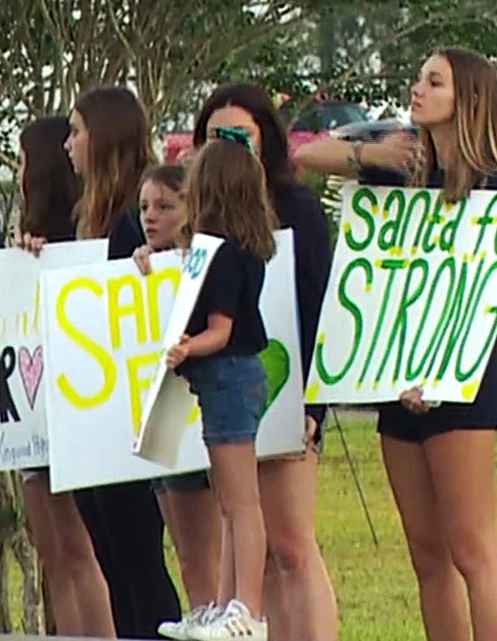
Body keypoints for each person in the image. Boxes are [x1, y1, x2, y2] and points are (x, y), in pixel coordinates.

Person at [295, 47, 497, 641]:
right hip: (397, 371)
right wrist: (371, 153)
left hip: (465, 376)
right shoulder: (401, 168)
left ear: (470, 99)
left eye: (433, 82)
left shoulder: (491, 182)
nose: (417, 89)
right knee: (426, 554)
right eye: (417, 79)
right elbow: (306, 154)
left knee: (472, 547)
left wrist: (446, 368)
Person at [191, 82, 337, 641]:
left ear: (265, 141)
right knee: (250, 541)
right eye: (213, 137)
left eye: (238, 135)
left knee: (293, 544)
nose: (225, 147)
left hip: (289, 395)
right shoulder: (202, 220)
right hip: (226, 395)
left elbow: (319, 307)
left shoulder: (296, 209)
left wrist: (315, 406)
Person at [40, 85, 183, 638]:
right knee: (112, 556)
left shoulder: (133, 214)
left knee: (136, 555)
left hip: (134, 411)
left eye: (76, 130)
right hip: (95, 414)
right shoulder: (89, 213)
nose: (69, 143)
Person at [162, 129, 278, 641]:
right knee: (229, 504)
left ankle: (246, 610)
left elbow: (222, 331)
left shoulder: (227, 254)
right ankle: (228, 603)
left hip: (229, 373)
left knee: (242, 503)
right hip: (225, 379)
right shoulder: (229, 251)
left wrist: (186, 348)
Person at [15, 116, 115, 638]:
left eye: (24, 159)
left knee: (79, 554)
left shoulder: (85, 230)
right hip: (33, 410)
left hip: (73, 407)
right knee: (54, 554)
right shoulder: (28, 240)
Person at [130, 165, 224, 641]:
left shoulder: (210, 261)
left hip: (198, 412)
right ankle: (197, 620)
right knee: (186, 553)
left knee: (207, 550)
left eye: (165, 206)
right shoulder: (147, 264)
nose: (151, 217)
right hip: (160, 411)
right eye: (145, 207)